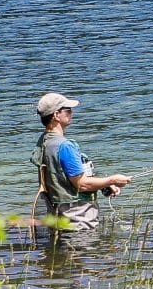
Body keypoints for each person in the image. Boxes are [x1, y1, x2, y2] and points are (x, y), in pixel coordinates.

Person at [33, 93, 130, 229]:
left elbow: (63, 179)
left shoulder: (44, 142)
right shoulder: (65, 146)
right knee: (83, 250)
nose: (71, 113)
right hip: (77, 220)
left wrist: (103, 185)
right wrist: (112, 180)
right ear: (56, 115)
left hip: (57, 216)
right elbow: (82, 184)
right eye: (68, 110)